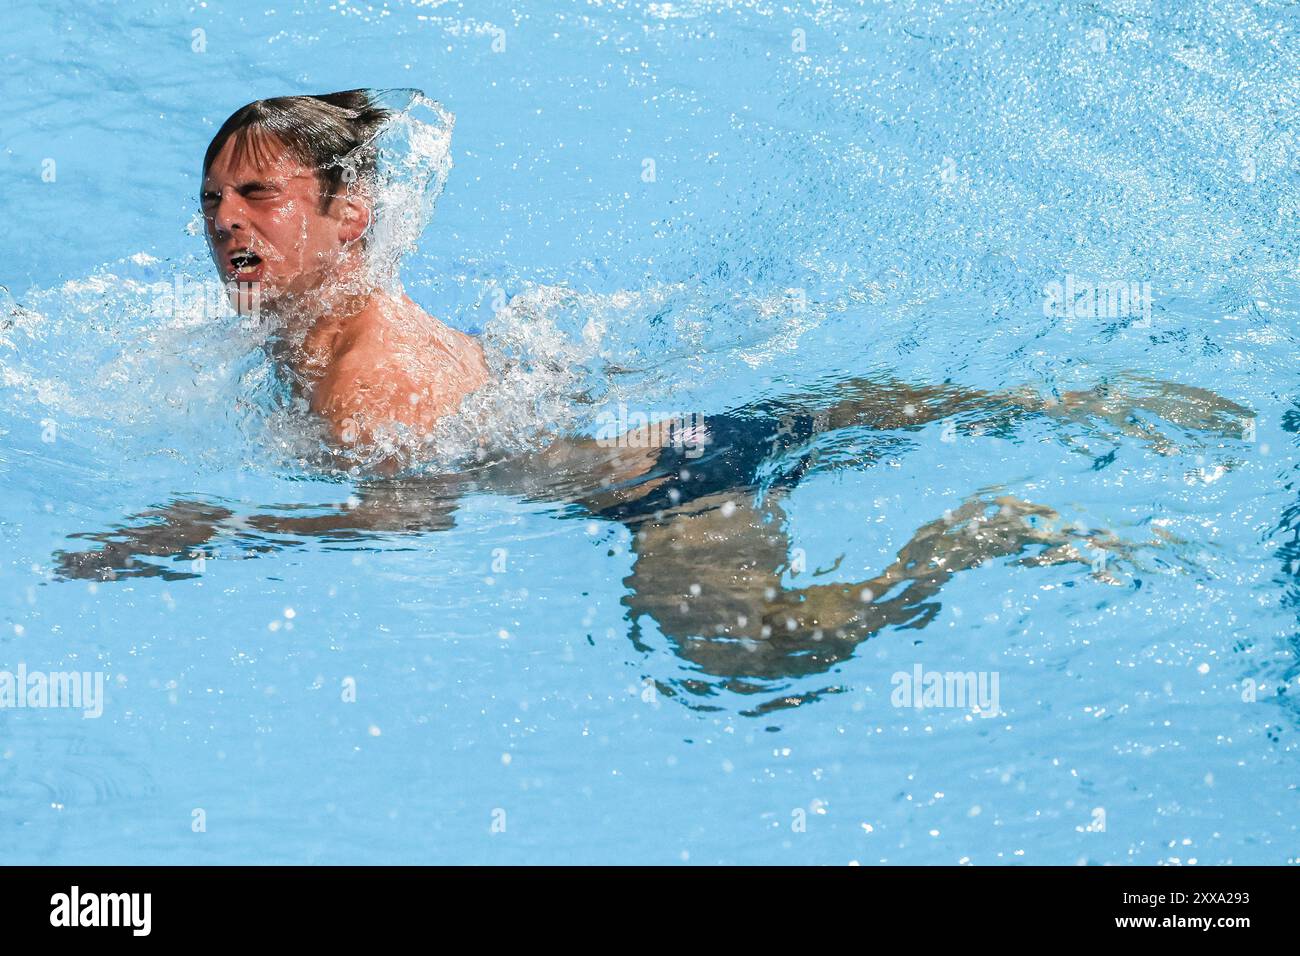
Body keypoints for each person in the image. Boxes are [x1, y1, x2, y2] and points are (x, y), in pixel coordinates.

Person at [49, 90, 1258, 713]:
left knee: (750, 662)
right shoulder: (323, 318)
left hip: (676, 490)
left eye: (258, 196)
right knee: (834, 408)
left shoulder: (366, 377)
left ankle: (973, 531)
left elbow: (403, 523)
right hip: (674, 433)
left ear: (348, 218)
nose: (222, 225)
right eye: (211, 202)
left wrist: (215, 529)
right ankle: (1061, 392)